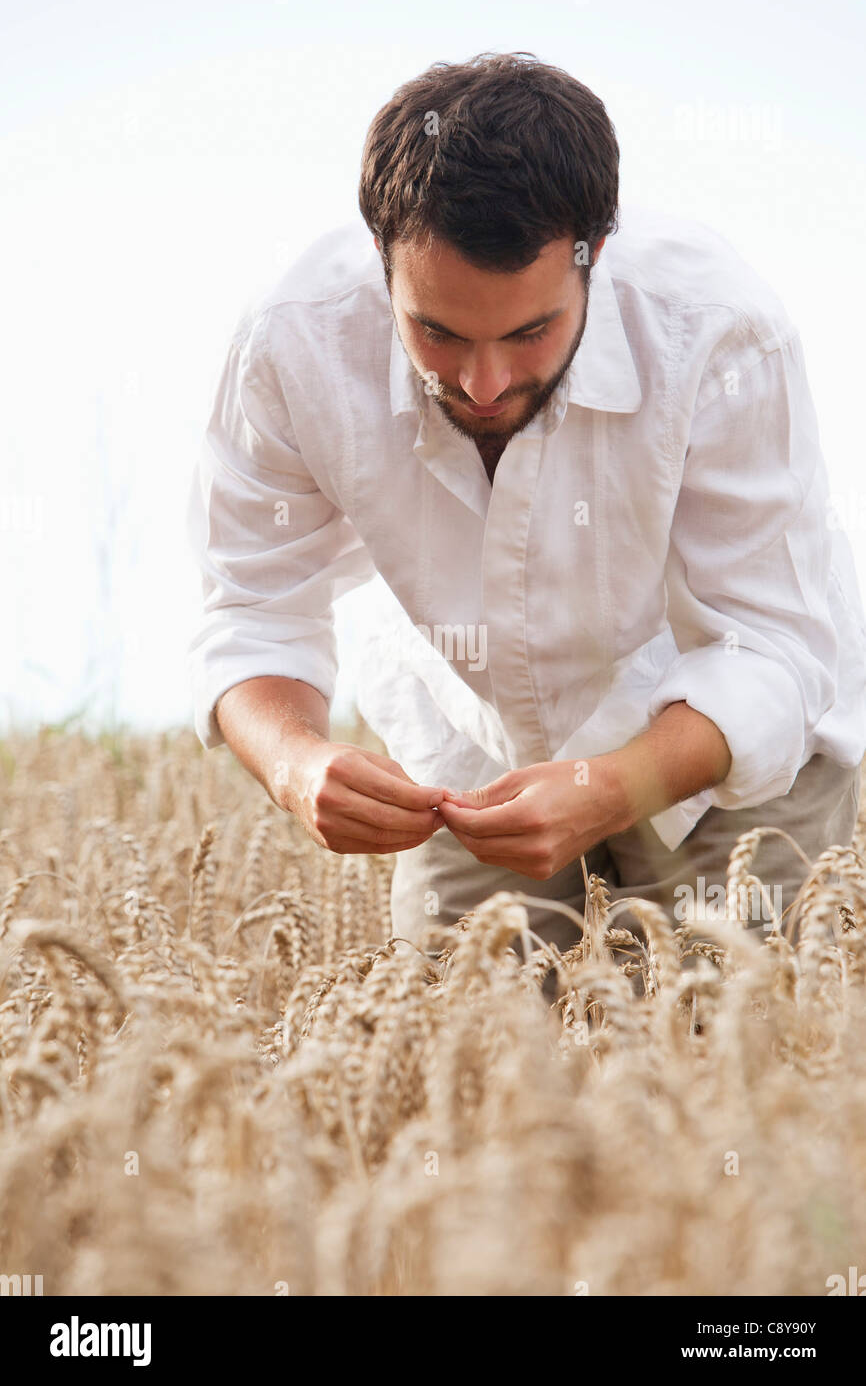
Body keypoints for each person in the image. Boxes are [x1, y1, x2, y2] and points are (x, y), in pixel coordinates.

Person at [186, 51, 866, 962]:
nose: (484, 381)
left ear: (598, 253)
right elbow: (249, 609)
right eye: (437, 332)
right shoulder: (290, 344)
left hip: (738, 764)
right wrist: (294, 763)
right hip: (471, 758)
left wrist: (613, 786)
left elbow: (773, 644)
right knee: (471, 1069)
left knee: (736, 1053)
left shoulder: (720, 330)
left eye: (530, 332)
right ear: (379, 258)